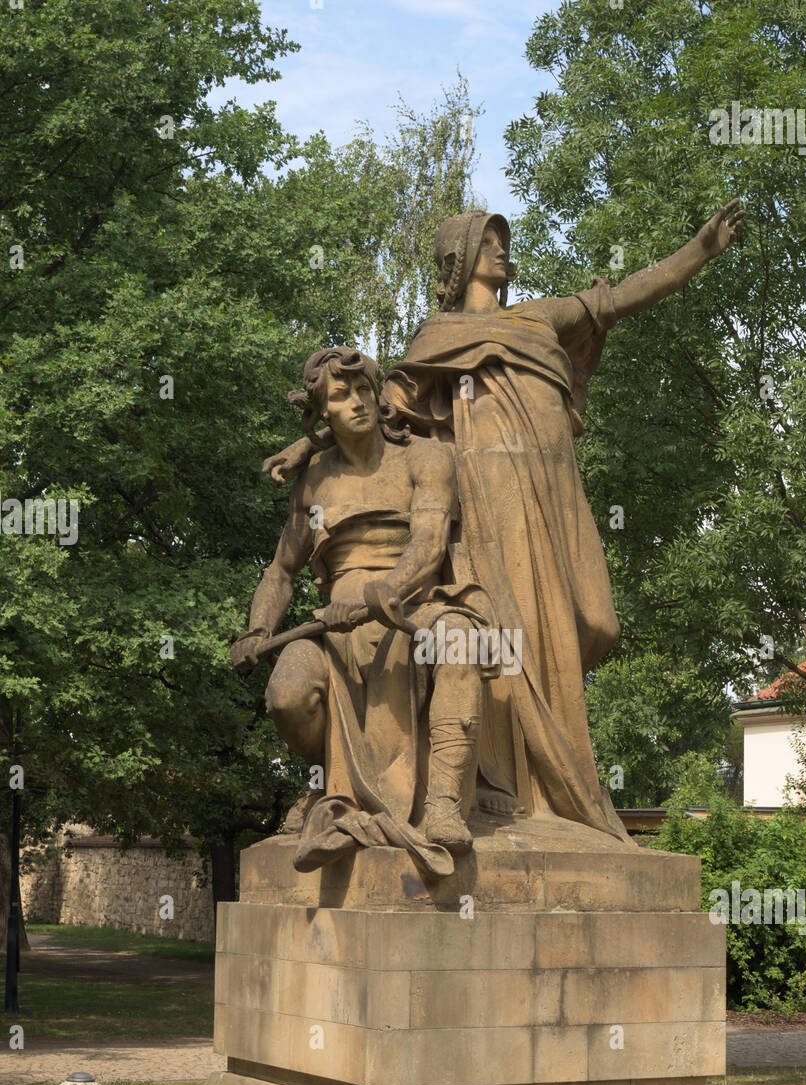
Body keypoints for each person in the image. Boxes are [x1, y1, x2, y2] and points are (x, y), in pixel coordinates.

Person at [264, 203, 743, 841]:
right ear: (459, 259)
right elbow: (372, 418)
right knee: (501, 635)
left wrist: (700, 250)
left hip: (553, 495)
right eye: (485, 241)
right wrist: (308, 446)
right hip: (483, 508)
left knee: (595, 622)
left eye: (501, 240)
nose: (499, 250)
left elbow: (623, 295)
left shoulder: (537, 316)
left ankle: (539, 778)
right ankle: (500, 787)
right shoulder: (435, 340)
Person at [231, 347, 497, 877]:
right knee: (286, 695)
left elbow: (428, 540)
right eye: (339, 395)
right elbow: (282, 572)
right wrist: (257, 629)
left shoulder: (425, 458)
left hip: (416, 605)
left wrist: (388, 589)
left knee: (459, 641)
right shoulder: (313, 484)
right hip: (334, 622)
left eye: (362, 390)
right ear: (321, 414)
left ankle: (443, 803)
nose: (356, 402)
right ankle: (332, 787)